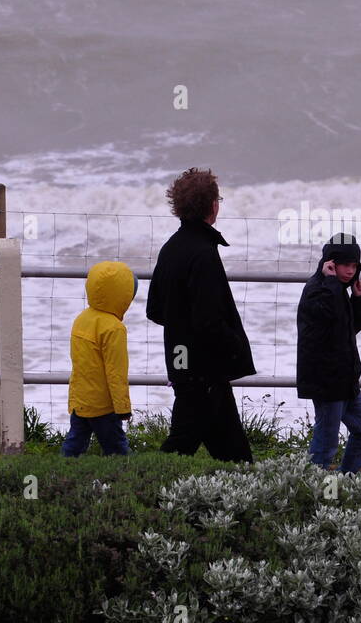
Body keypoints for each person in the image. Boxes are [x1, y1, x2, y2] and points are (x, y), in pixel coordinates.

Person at [146, 168, 255, 462]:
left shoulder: (171, 248)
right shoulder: (203, 253)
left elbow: (154, 309)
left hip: (182, 364)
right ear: (212, 205)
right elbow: (209, 321)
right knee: (185, 446)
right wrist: (235, 345)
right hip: (205, 371)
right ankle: (137, 492)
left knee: (230, 456)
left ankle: (147, 492)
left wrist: (181, 332)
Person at [296, 233, 361, 473]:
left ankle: (344, 483)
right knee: (326, 445)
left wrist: (358, 297)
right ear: (329, 264)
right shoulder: (317, 290)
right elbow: (329, 319)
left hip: (345, 382)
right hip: (326, 383)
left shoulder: (339, 290)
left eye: (354, 266)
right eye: (345, 265)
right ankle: (310, 494)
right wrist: (332, 282)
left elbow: (351, 327)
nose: (350, 271)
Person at [62, 261, 137, 457]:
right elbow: (116, 372)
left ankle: (58, 478)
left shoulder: (82, 318)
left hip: (80, 399)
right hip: (103, 405)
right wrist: (123, 408)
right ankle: (127, 483)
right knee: (117, 451)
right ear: (123, 296)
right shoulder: (113, 328)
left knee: (74, 445)